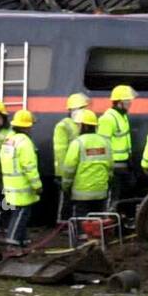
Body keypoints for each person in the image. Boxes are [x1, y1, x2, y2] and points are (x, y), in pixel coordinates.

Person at [0, 109, 41, 247]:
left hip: (10, 184)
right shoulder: (25, 142)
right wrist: (37, 185)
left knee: (18, 213)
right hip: (22, 186)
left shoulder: (9, 140)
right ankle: (12, 240)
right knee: (22, 213)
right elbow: (29, 166)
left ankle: (24, 239)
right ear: (26, 126)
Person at [61, 108, 112, 219]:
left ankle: (82, 235)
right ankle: (96, 236)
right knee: (97, 222)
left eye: (78, 125)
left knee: (82, 222)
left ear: (84, 126)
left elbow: (69, 169)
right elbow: (110, 167)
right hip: (101, 192)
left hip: (81, 194)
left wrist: (66, 186)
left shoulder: (77, 143)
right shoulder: (105, 142)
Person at [52, 92, 89, 220]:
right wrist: (62, 174)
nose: (83, 111)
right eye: (81, 108)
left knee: (75, 199)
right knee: (65, 199)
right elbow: (60, 152)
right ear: (72, 110)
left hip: (78, 169)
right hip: (66, 170)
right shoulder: (63, 126)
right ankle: (62, 222)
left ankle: (71, 223)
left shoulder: (81, 124)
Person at [99, 85, 137, 207]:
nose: (130, 104)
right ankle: (110, 218)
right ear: (119, 103)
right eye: (127, 101)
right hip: (114, 166)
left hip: (124, 164)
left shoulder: (123, 116)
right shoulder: (108, 119)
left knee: (124, 193)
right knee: (114, 195)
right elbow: (103, 144)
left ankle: (120, 218)